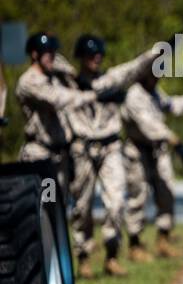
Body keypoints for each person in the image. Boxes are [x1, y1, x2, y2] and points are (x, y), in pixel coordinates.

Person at [67, 35, 158, 278]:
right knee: (82, 206)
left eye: (99, 54)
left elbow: (135, 66)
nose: (96, 58)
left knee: (116, 201)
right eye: (90, 54)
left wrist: (159, 50)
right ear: (80, 57)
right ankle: (83, 257)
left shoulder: (111, 79)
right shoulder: (69, 83)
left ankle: (111, 254)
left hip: (110, 146)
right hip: (82, 147)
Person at [16, 33, 111, 196]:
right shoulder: (29, 81)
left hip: (59, 156)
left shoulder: (52, 77)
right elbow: (58, 98)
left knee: (61, 207)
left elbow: (62, 68)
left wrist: (74, 74)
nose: (52, 57)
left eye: (53, 53)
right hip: (41, 154)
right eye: (47, 53)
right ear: (35, 55)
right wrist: (94, 95)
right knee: (47, 205)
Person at [121, 68, 183, 261]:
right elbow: (150, 127)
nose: (157, 78)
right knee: (137, 197)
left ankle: (163, 240)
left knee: (166, 193)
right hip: (138, 150)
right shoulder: (134, 95)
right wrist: (177, 143)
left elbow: (171, 105)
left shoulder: (154, 92)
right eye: (154, 74)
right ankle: (134, 244)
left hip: (158, 150)